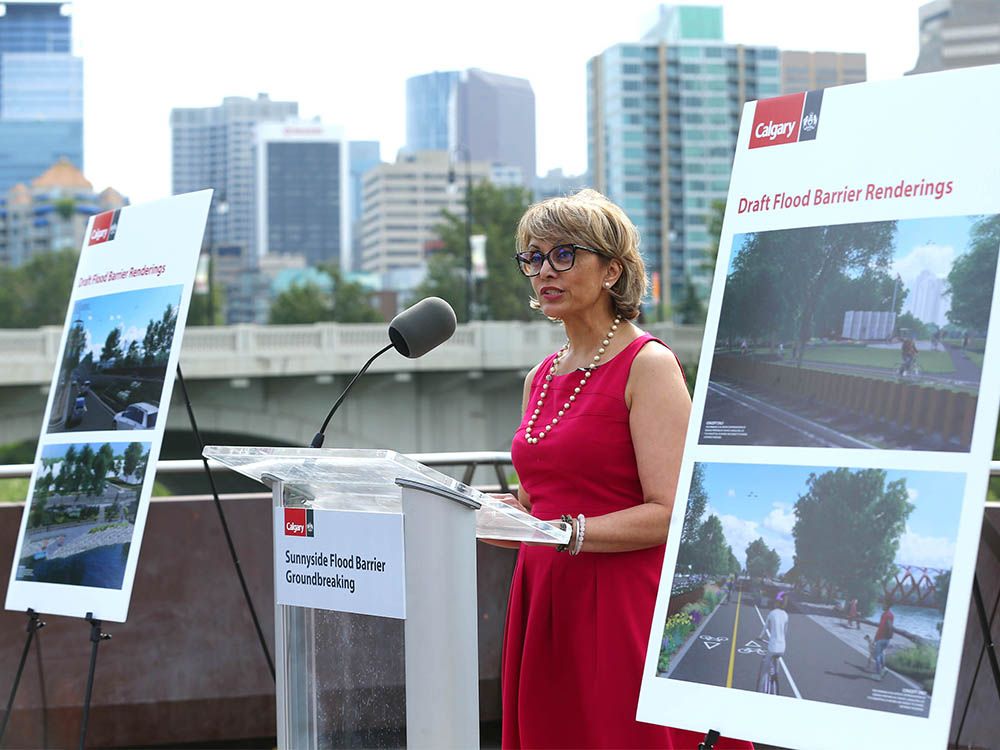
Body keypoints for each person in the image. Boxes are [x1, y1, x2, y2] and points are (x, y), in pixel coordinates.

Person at [495, 190, 751, 749]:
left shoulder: (650, 364)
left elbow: (675, 510)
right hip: (544, 593)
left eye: (563, 254)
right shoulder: (538, 378)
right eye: (533, 257)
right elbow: (539, 500)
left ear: (612, 269)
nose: (544, 271)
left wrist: (568, 532)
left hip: (620, 600)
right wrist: (494, 515)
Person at [758, 592, 789, 693]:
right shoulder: (786, 615)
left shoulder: (772, 613)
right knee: (777, 660)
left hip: (773, 646)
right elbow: (785, 633)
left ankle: (760, 691)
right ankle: (776, 677)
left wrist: (759, 637)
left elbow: (764, 628)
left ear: (776, 603)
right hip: (782, 647)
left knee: (765, 671)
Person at [873, 599, 895, 678]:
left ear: (887, 605)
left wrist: (876, 637)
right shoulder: (891, 615)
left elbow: (881, 627)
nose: (882, 605)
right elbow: (890, 626)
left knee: (876, 656)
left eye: (884, 604)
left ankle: (878, 674)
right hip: (887, 639)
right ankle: (883, 669)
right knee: (882, 653)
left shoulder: (885, 615)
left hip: (881, 637)